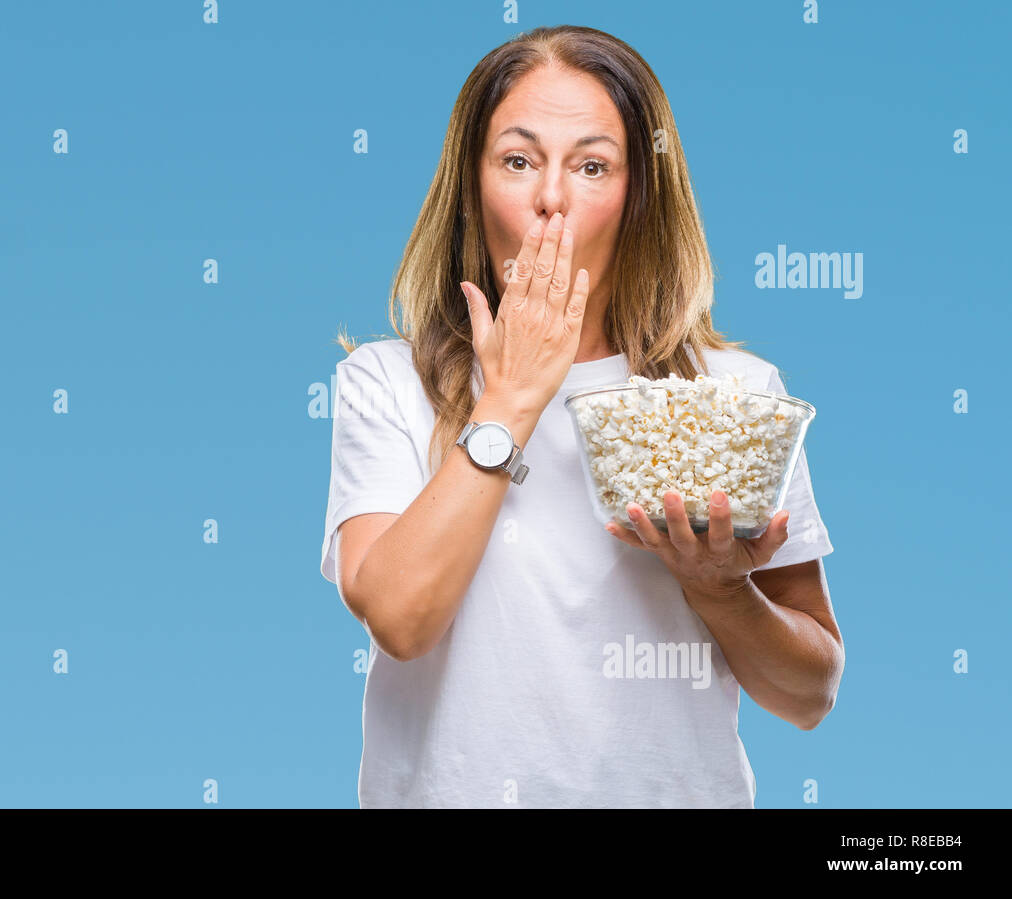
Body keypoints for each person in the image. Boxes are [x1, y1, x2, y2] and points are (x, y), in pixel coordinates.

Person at [319, 25, 844, 809]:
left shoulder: (733, 393)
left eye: (592, 166)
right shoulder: (387, 382)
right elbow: (399, 619)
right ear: (473, 185)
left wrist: (722, 591)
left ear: (638, 195)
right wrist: (511, 400)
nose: (552, 198)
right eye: (519, 161)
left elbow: (810, 694)